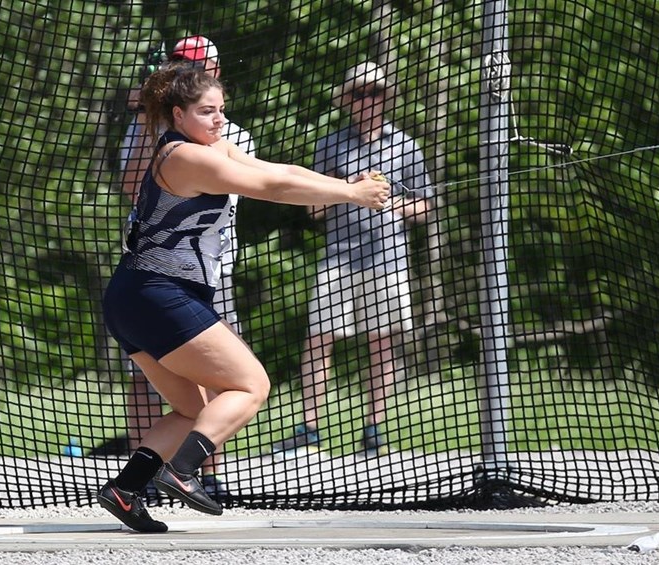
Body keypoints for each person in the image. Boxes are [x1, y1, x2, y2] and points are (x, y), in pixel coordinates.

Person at [96, 64, 390, 533]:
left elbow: (282, 171)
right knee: (251, 385)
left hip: (136, 297)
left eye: (221, 110)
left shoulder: (210, 148)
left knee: (194, 410)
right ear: (178, 114)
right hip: (157, 294)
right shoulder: (186, 157)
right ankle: (183, 471)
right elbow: (271, 189)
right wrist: (351, 194)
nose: (218, 119)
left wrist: (346, 187)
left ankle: (125, 489)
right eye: (206, 111)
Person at [114, 36, 256, 497]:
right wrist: (148, 120)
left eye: (198, 65)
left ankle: (157, 482)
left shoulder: (226, 134)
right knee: (245, 383)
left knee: (207, 392)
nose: (188, 71)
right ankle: (172, 475)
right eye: (179, 64)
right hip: (161, 281)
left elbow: (271, 178)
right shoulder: (159, 136)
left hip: (192, 278)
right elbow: (131, 185)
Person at [270, 62, 433, 457]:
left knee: (382, 341)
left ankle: (374, 430)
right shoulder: (330, 144)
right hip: (338, 256)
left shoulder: (405, 145)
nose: (367, 99)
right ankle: (309, 429)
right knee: (318, 338)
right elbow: (313, 210)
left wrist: (390, 202)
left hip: (388, 258)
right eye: (359, 93)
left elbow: (426, 207)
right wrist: (348, 187)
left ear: (385, 97)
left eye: (374, 92)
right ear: (348, 100)